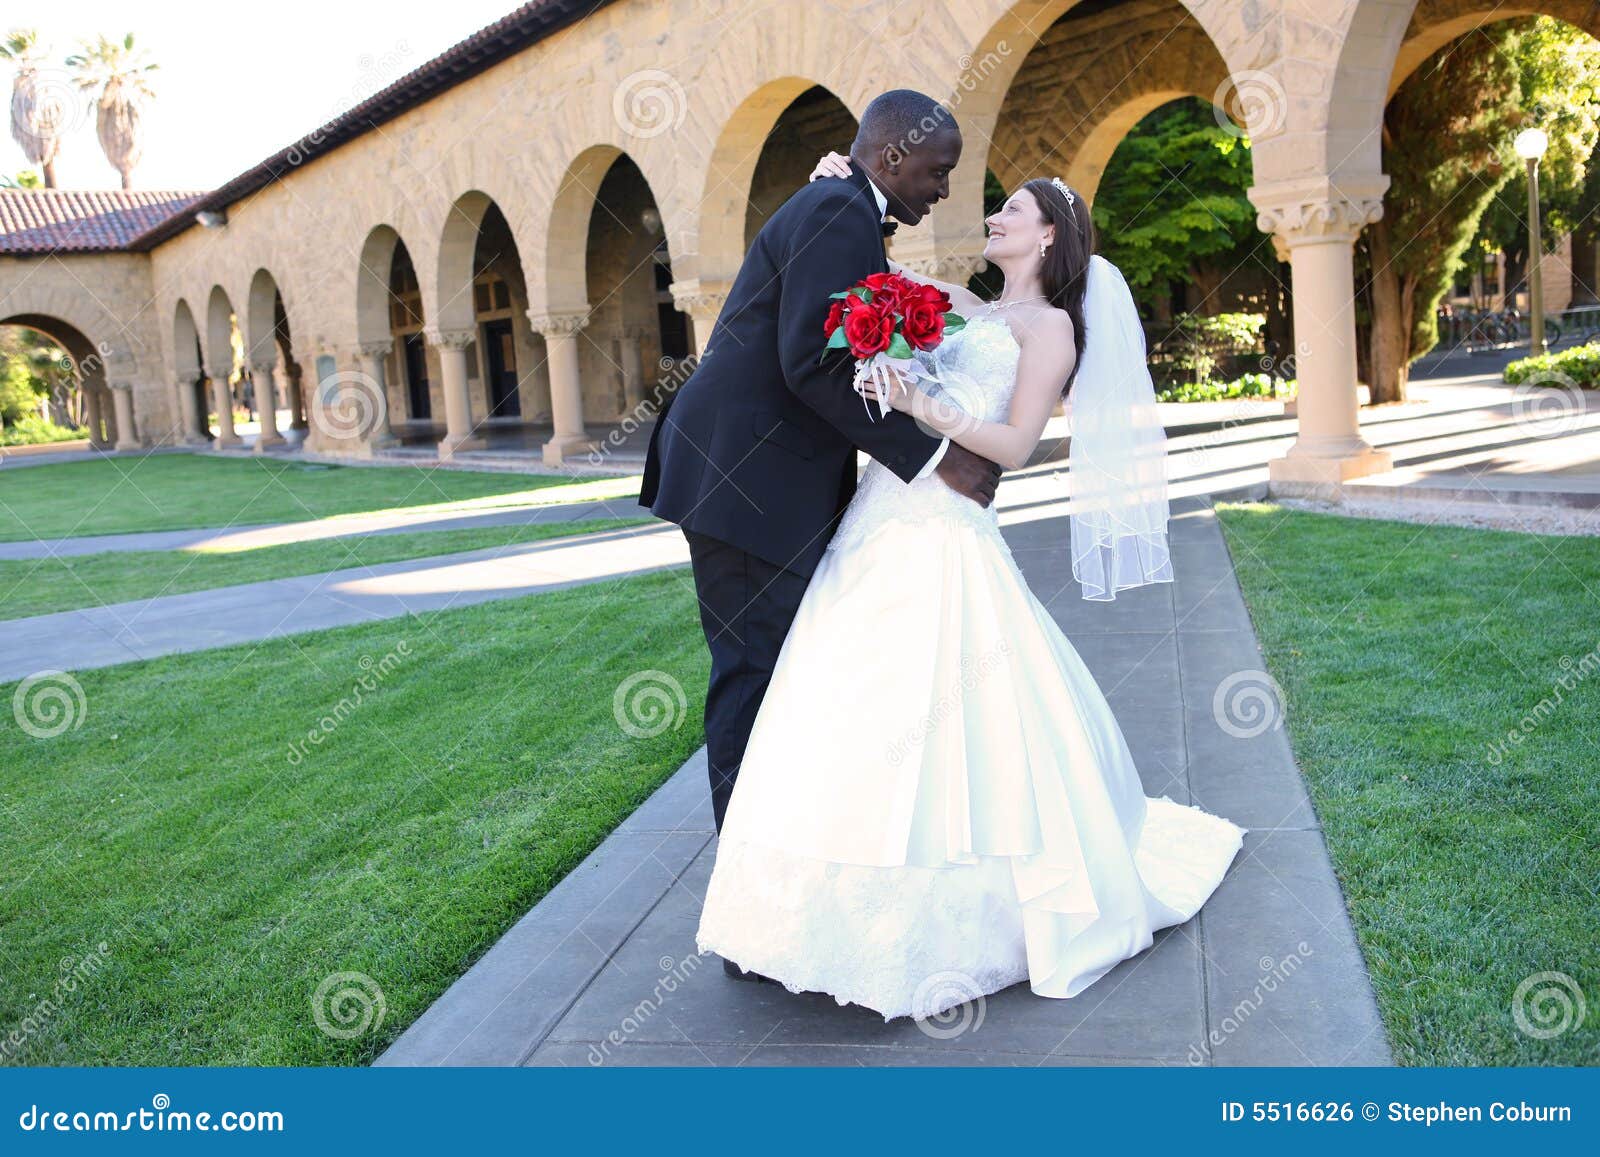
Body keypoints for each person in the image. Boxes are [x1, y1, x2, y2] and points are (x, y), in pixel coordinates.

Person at [691, 151, 1247, 1019]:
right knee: (837, 697)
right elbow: (862, 270)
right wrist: (834, 179)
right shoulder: (964, 306)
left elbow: (1016, 444)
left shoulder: (1051, 329)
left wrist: (918, 402)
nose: (993, 214)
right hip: (878, 516)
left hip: (943, 529)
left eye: (1012, 209)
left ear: (1050, 233)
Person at [639, 92, 1003, 986]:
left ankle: (769, 892)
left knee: (773, 677)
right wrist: (933, 460)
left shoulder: (842, 207)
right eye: (936, 167)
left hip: (757, 484)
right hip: (744, 485)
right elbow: (811, 362)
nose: (944, 184)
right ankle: (748, 914)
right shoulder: (840, 206)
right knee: (752, 680)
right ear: (888, 156)